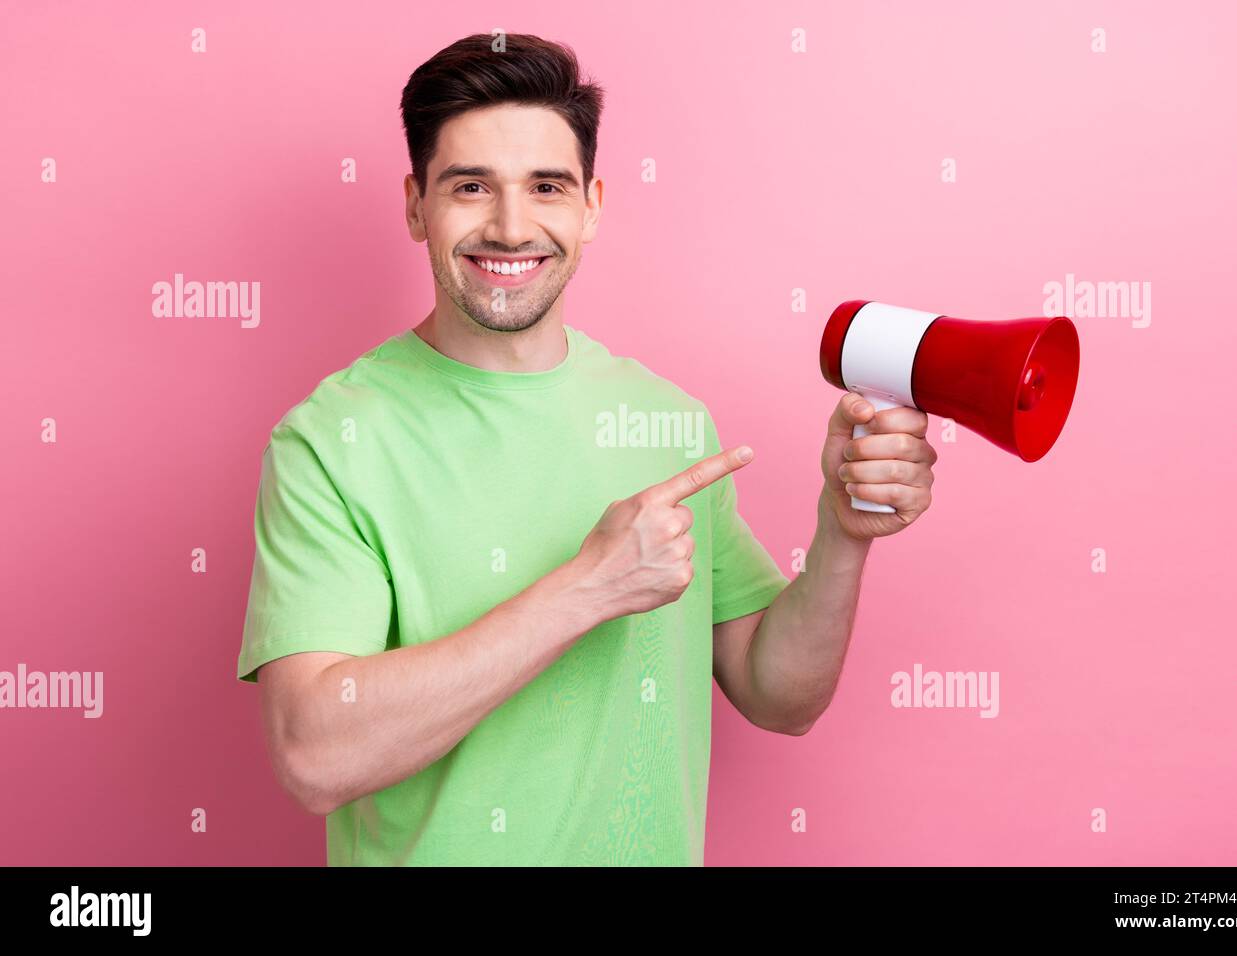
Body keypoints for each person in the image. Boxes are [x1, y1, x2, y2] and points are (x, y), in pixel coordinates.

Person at [236, 33, 938, 866]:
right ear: (417, 204)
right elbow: (315, 756)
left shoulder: (666, 422)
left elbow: (778, 694)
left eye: (546, 187)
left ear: (592, 206)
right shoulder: (331, 441)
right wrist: (585, 592)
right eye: (469, 187)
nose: (510, 225)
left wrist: (842, 531)